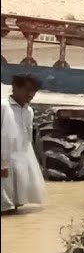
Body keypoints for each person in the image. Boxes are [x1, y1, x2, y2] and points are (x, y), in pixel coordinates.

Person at [2, 75, 47, 214]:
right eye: (27, 89)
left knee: (17, 198)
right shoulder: (3, 106)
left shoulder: (29, 111)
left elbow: (27, 138)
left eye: (34, 91)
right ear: (15, 87)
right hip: (4, 155)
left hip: (21, 156)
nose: (30, 94)